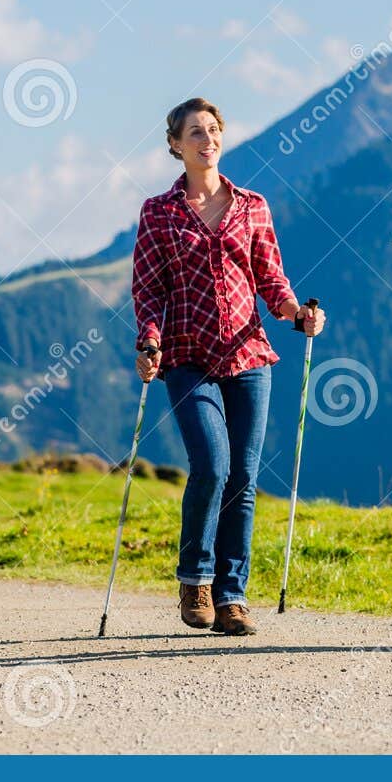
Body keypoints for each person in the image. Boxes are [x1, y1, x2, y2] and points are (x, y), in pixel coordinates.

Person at [131, 96, 325, 635]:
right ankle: (195, 577)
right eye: (194, 132)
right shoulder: (159, 213)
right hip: (186, 356)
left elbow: (271, 279)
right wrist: (149, 342)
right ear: (175, 145)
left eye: (213, 130)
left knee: (243, 476)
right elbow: (148, 290)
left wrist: (294, 313)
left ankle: (231, 596)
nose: (206, 139)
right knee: (212, 466)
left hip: (249, 355)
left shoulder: (252, 206)